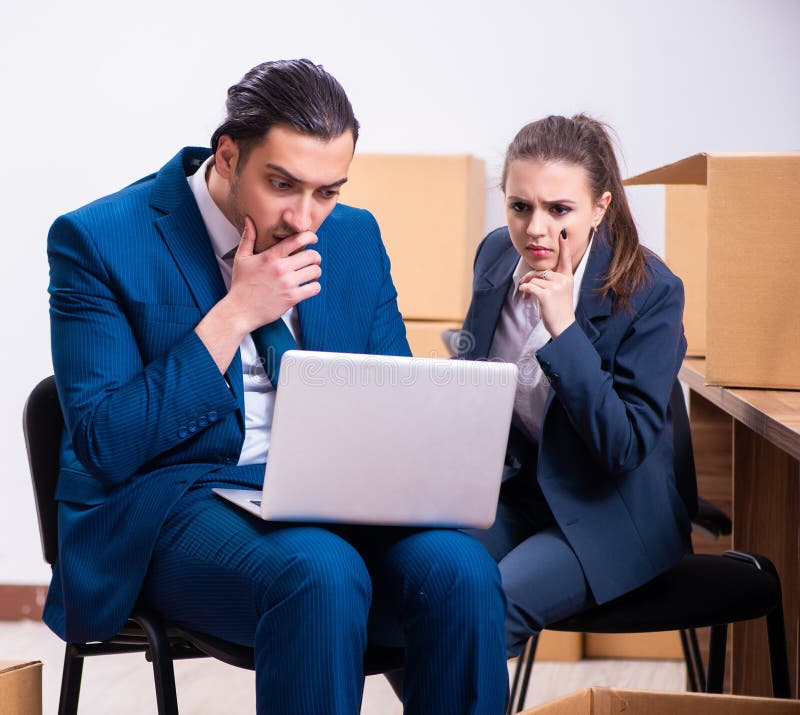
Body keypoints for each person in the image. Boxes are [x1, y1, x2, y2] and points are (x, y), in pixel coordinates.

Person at [44, 59, 507, 714]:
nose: (305, 216)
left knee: (461, 572)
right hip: (169, 501)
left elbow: (394, 403)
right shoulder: (99, 240)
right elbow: (105, 444)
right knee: (319, 571)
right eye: (282, 184)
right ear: (228, 155)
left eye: (328, 191)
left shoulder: (353, 236)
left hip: (328, 499)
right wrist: (235, 314)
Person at [459, 114, 691, 657]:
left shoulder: (652, 293)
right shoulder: (496, 253)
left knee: (488, 606)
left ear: (600, 209)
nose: (536, 229)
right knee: (420, 579)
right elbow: (479, 379)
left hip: (611, 509)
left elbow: (624, 447)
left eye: (560, 209)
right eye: (520, 206)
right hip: (520, 494)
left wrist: (562, 328)